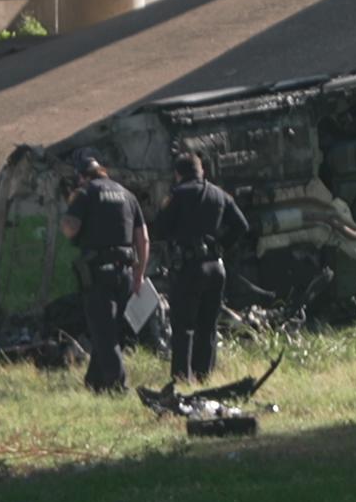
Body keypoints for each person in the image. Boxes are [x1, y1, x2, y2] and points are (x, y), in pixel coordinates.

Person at [154, 153, 249, 383]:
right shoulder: (219, 194)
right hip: (216, 267)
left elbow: (159, 229)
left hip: (189, 267)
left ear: (178, 174)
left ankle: (181, 378)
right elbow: (242, 226)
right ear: (201, 171)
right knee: (208, 325)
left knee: (183, 325)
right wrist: (221, 246)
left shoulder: (178, 195)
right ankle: (203, 376)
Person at [60, 150, 150, 393]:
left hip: (98, 274)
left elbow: (70, 229)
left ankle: (119, 387)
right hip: (125, 273)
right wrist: (140, 273)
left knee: (104, 334)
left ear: (81, 176)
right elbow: (143, 239)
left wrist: (69, 207)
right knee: (110, 331)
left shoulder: (85, 193)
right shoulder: (127, 194)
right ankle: (95, 383)